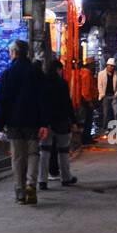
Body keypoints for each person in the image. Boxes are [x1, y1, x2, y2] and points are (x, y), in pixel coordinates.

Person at [0, 40, 50, 204]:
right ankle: (31, 185)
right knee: (33, 154)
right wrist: (44, 123)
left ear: (13, 53)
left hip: (14, 123)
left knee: (18, 157)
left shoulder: (7, 74)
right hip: (33, 122)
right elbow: (44, 100)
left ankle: (20, 190)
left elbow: (1, 101)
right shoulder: (36, 73)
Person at [40, 59, 77, 190]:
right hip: (61, 121)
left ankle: (42, 180)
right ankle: (66, 178)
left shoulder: (42, 83)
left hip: (46, 122)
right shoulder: (62, 84)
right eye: (61, 70)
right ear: (58, 69)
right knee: (63, 151)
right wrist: (73, 120)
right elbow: (67, 103)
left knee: (44, 151)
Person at [98, 58, 117, 135]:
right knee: (106, 113)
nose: (112, 67)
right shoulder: (101, 74)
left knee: (116, 112)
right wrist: (102, 94)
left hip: (114, 95)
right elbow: (100, 86)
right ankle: (107, 128)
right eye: (110, 66)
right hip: (105, 96)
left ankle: (116, 129)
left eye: (113, 66)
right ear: (107, 66)